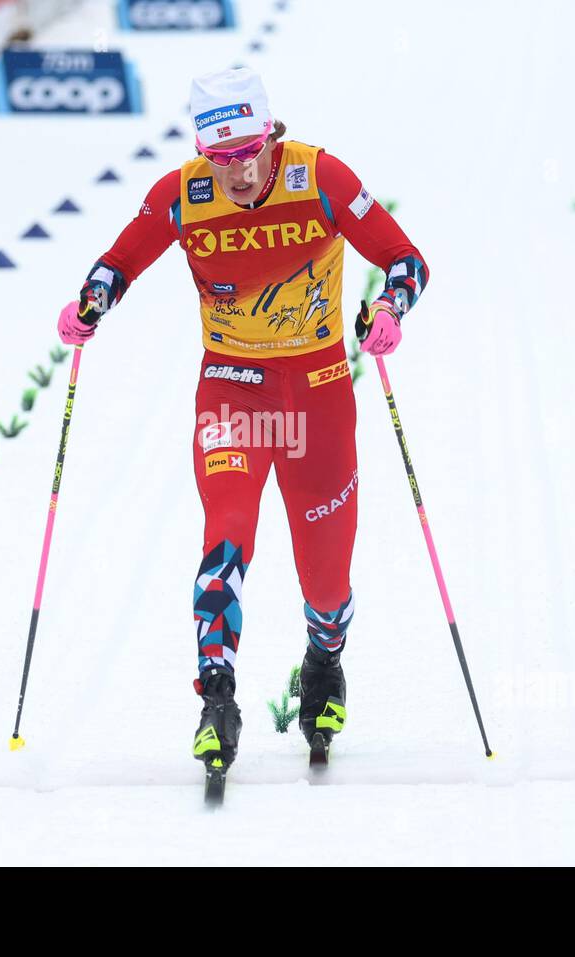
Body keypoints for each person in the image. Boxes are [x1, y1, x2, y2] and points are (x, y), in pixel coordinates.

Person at [57, 67, 429, 771]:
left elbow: (405, 259)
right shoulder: (182, 194)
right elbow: (118, 263)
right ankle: (217, 697)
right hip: (234, 389)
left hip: (318, 392)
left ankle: (324, 659)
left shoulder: (320, 177)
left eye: (247, 152)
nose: (234, 171)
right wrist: (87, 308)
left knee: (326, 582)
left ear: (270, 135)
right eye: (218, 155)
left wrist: (388, 309)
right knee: (225, 538)